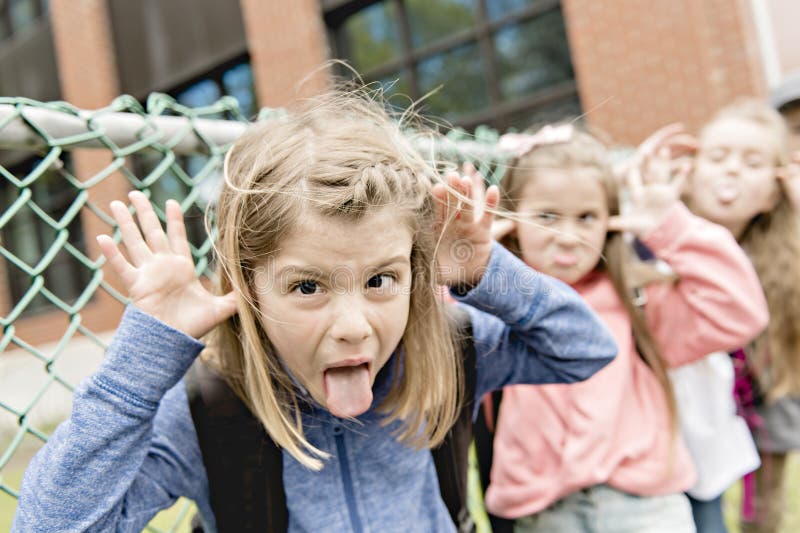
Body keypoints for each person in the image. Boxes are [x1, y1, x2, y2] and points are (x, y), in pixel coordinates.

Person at [12, 90, 617, 533]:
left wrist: (488, 274)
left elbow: (586, 348)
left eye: (382, 279)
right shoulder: (210, 408)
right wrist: (143, 359)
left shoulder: (447, 348)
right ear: (248, 287)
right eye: (307, 288)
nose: (353, 325)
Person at [481, 123, 769, 533]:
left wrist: (667, 223)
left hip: (645, 508)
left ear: (610, 221)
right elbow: (427, 320)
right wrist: (476, 252)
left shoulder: (637, 300)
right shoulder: (493, 303)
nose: (568, 236)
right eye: (547, 216)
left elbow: (740, 310)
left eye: (587, 217)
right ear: (512, 219)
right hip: (546, 513)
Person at [684, 99, 800, 533]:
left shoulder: (784, 246)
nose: (731, 170)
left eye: (752, 162)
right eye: (717, 157)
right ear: (692, 171)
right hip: (692, 387)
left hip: (765, 383)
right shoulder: (662, 233)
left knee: (764, 497)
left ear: (775, 189)